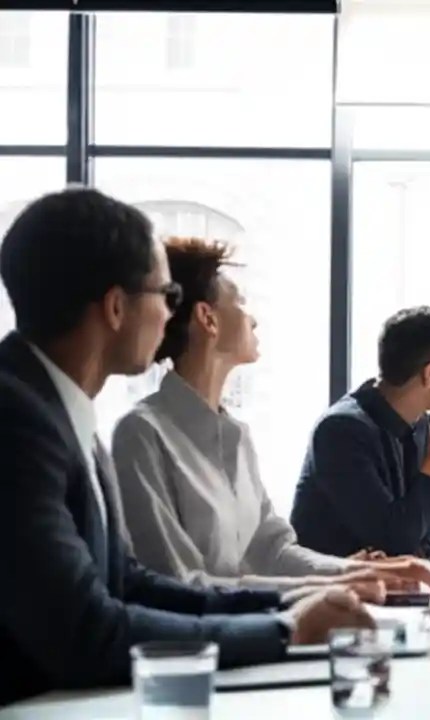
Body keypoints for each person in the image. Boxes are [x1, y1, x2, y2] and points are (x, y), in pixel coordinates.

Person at [0, 189, 371, 706]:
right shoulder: (17, 422)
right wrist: (286, 630)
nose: (169, 318)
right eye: (166, 296)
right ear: (114, 306)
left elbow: (128, 584)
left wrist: (286, 602)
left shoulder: (62, 411)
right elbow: (85, 631)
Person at [111, 237, 430, 595]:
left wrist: (353, 570)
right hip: (207, 645)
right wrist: (333, 584)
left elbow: (273, 549)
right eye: (241, 303)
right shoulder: (142, 434)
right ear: (208, 318)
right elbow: (180, 585)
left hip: (257, 627)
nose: (253, 319)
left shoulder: (237, 437)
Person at [291, 306, 430, 560]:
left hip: (391, 584)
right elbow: (393, 538)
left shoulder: (417, 424)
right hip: (336, 589)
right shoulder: (341, 431)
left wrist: (416, 552)